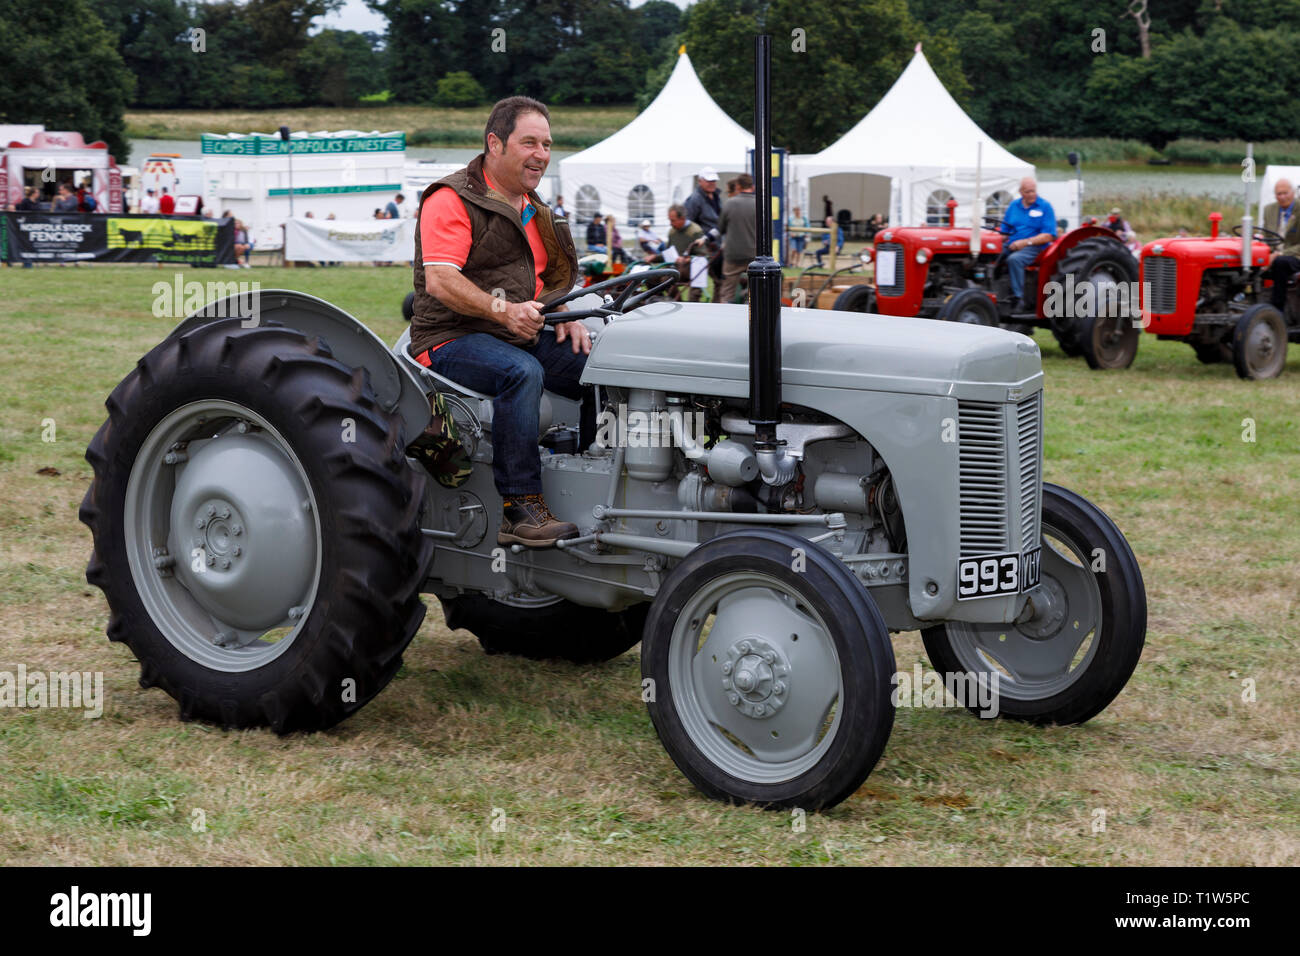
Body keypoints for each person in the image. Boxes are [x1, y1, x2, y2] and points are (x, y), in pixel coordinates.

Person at [410, 95, 585, 547]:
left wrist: (563, 311)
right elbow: (441, 281)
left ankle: (595, 482)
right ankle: (520, 509)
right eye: (529, 143)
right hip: (449, 337)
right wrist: (503, 310)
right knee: (520, 373)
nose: (542, 155)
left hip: (516, 330)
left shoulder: (533, 205)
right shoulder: (450, 198)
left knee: (602, 366)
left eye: (547, 144)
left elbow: (540, 278)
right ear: (495, 143)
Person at [998, 176, 1057, 310]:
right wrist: (999, 239)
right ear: (1020, 192)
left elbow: (1048, 236)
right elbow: (1004, 231)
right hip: (1012, 244)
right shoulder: (1014, 206)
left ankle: (1018, 299)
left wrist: (1025, 242)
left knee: (1015, 260)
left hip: (1036, 248)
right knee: (992, 256)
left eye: (1033, 191)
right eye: (1028, 192)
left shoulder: (1045, 206)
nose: (1031, 194)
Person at [1262, 177, 1300, 311]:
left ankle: (1277, 310)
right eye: (1279, 194)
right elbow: (1266, 237)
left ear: (1293, 192)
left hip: (1295, 255)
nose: (1282, 197)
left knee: (1280, 263)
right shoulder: (1269, 210)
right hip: (1274, 253)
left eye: (1285, 193)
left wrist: (1279, 254)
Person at [717, 173, 756, 304]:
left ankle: (725, 318)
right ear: (753, 187)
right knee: (756, 291)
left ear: (738, 186)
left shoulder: (729, 204)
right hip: (755, 256)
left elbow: (720, 228)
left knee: (727, 291)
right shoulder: (761, 205)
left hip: (733, 255)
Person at [664, 203, 709, 301]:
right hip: (676, 268)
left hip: (691, 268)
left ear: (683, 218)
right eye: (669, 220)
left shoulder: (695, 231)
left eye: (673, 220)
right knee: (660, 279)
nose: (670, 223)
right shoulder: (672, 232)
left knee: (695, 285)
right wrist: (653, 257)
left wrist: (686, 259)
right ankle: (677, 302)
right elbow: (668, 251)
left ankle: (691, 305)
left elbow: (702, 254)